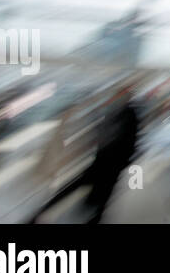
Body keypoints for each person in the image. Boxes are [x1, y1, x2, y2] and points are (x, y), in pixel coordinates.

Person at [31, 81, 142, 224]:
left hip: (110, 165)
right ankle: (42, 213)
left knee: (94, 195)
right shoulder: (116, 110)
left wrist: (120, 161)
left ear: (125, 95)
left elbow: (127, 140)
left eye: (120, 93)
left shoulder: (128, 113)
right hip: (102, 162)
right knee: (84, 191)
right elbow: (106, 135)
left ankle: (42, 213)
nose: (116, 96)